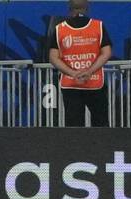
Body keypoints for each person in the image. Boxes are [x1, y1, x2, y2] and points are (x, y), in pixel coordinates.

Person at [47, 0, 112, 128]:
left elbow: (53, 58)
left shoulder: (59, 29)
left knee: (74, 129)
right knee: (101, 126)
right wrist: (89, 72)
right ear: (88, 5)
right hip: (94, 83)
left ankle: (76, 148)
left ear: (68, 6)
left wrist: (73, 73)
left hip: (72, 84)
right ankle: (102, 148)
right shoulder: (98, 26)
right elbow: (106, 53)